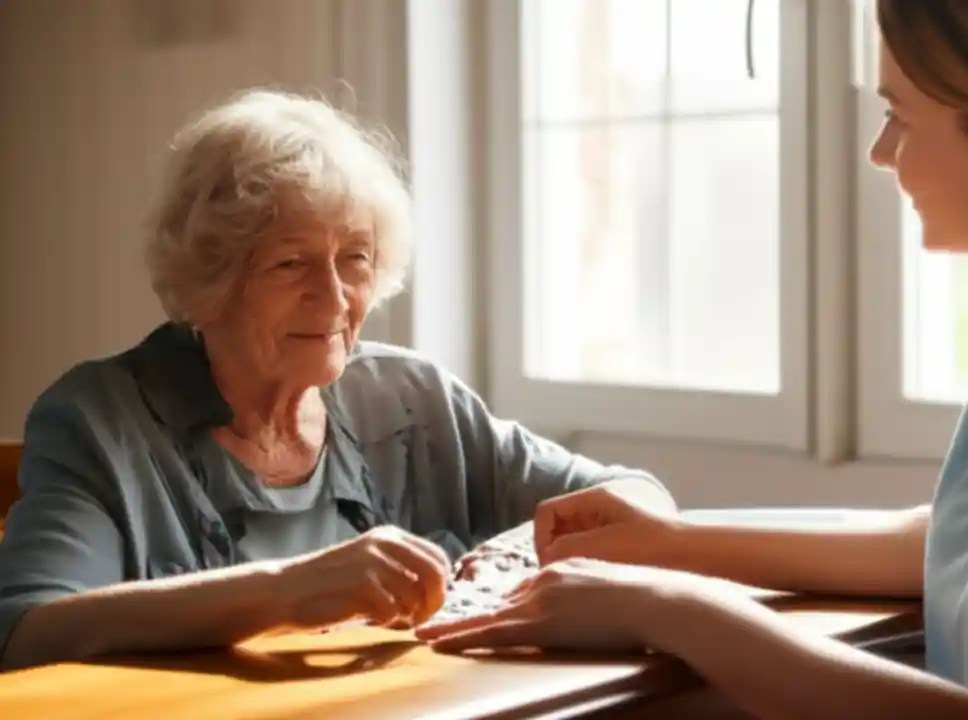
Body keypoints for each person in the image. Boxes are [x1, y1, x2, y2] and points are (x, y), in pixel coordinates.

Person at [418, 2, 968, 717]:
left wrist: (668, 607)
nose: (879, 152)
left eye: (900, 117)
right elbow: (966, 536)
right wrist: (666, 545)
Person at [0, 90, 674, 670]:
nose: (333, 298)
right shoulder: (99, 420)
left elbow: (640, 497)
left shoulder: (414, 400)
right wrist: (281, 593)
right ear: (213, 280)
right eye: (290, 264)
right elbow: (28, 633)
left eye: (354, 258)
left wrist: (515, 554)